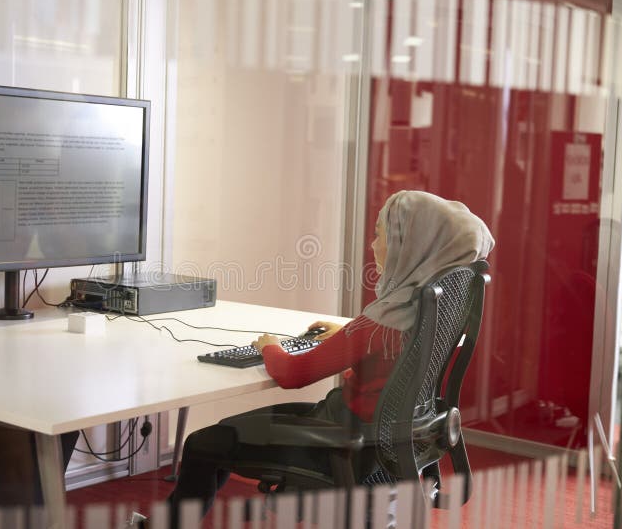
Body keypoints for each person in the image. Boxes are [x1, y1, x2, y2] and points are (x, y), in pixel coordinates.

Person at [166, 190, 495, 522]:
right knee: (229, 429)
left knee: (202, 444)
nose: (373, 245)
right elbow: (392, 351)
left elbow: (293, 374)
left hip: (342, 445)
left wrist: (268, 345)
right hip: (385, 442)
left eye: (379, 235)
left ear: (407, 246)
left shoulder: (379, 323)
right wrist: (346, 336)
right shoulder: (434, 309)